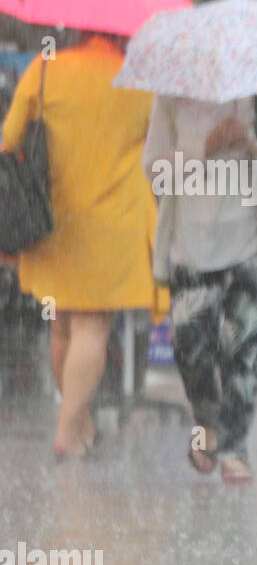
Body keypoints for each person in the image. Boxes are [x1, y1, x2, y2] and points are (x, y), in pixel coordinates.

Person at [1, 32, 165, 459]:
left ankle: (79, 422)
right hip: (113, 222)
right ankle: (69, 432)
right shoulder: (139, 79)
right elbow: (160, 150)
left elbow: (9, 139)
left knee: (61, 325)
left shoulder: (45, 68)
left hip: (54, 219)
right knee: (92, 326)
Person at [145, 89, 257, 483]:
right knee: (190, 343)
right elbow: (153, 168)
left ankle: (234, 446)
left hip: (250, 246)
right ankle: (207, 424)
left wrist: (254, 146)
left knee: (243, 345)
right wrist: (205, 148)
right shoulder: (170, 94)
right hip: (190, 246)